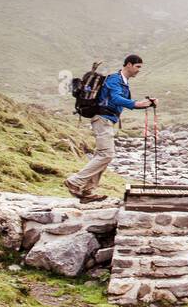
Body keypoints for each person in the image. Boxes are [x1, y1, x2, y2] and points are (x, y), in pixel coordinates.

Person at [65, 54, 155, 202]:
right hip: (103, 119)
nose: (139, 70)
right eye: (138, 67)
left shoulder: (123, 82)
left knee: (101, 155)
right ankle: (75, 181)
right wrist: (137, 103)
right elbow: (116, 98)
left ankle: (88, 191)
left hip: (107, 120)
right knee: (106, 154)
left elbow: (118, 102)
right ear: (128, 65)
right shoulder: (115, 79)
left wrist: (147, 104)